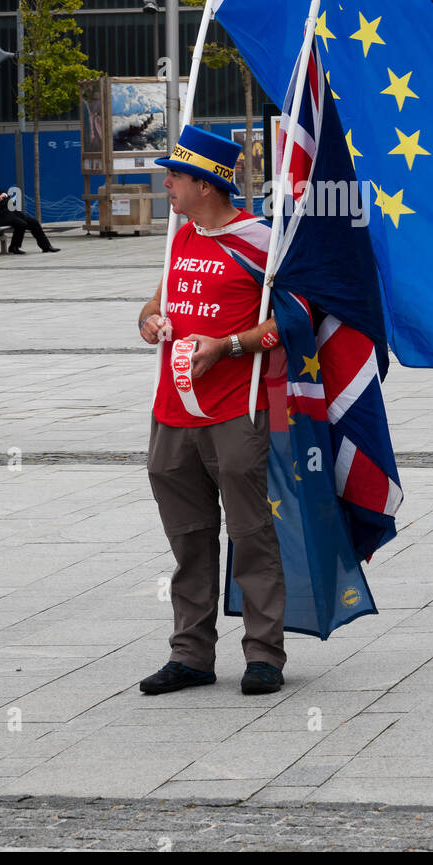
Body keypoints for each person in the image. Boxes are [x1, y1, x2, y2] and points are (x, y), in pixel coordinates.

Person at [137, 125, 286, 697]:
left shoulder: (260, 242)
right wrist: (150, 321)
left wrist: (226, 347)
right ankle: (191, 654)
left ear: (206, 183)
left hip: (234, 410)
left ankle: (264, 654)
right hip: (171, 412)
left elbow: (291, 323)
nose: (167, 183)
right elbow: (158, 302)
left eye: (174, 175)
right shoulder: (180, 237)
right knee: (188, 539)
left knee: (251, 534)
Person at [0, 175, 60, 255]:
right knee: (21, 224)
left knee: (34, 222)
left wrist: (2, 197)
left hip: (10, 215)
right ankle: (14, 247)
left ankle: (46, 247)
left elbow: (6, 194)